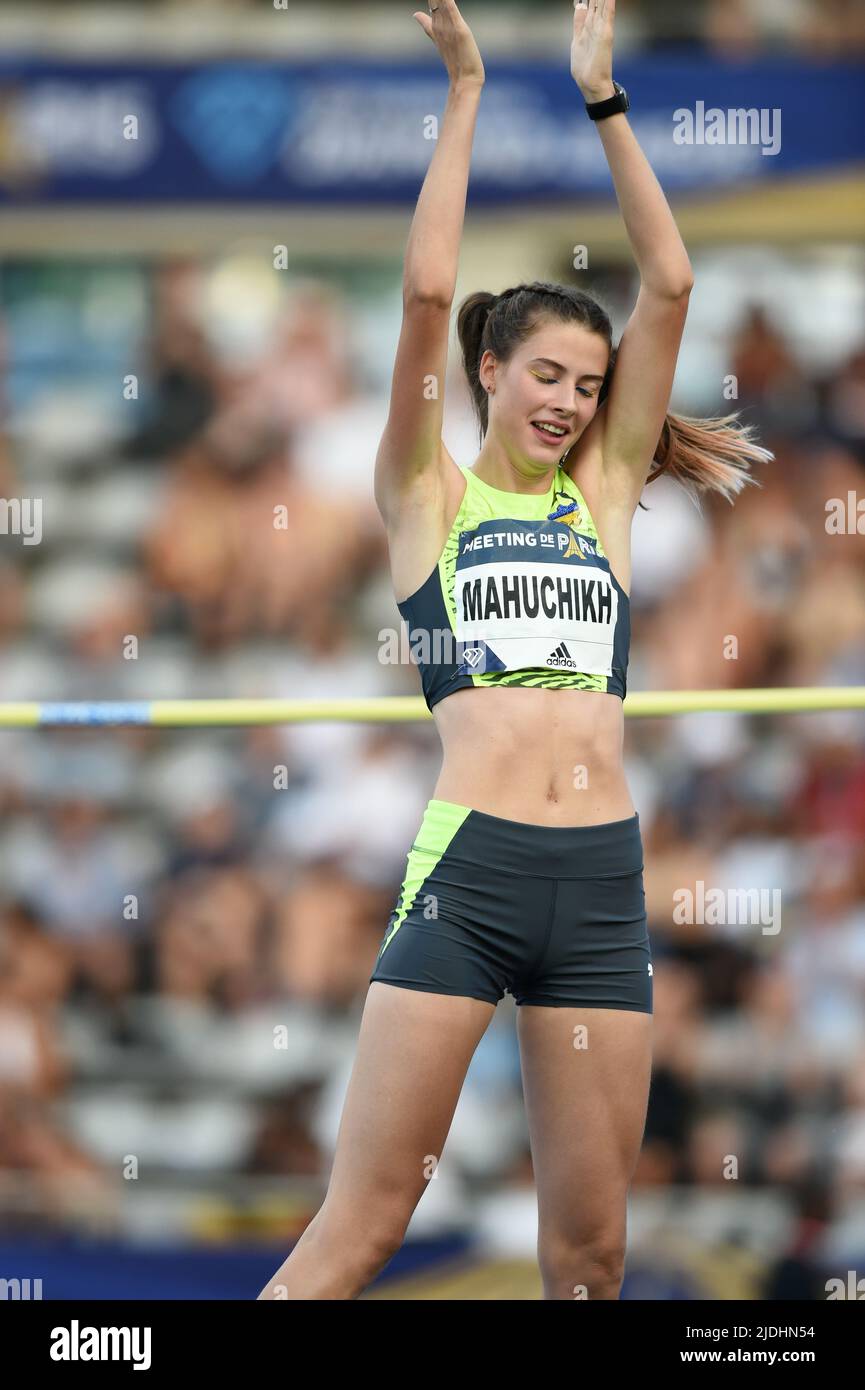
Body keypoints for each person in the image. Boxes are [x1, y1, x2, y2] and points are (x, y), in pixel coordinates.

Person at [258, 0, 770, 1301]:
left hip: (599, 882)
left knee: (588, 1258)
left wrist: (601, 96)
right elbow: (428, 286)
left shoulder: (600, 495)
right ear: (488, 369)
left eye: (590, 387)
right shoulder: (423, 494)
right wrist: (469, 83)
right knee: (363, 1226)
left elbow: (669, 282)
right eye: (545, 373)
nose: (569, 401)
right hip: (470, 873)